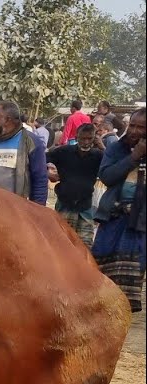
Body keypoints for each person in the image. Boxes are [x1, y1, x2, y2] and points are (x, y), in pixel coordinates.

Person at [90, 108, 145, 312]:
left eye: (141, 127)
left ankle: (122, 312)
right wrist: (133, 157)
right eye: (132, 125)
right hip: (113, 216)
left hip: (139, 222)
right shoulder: (117, 148)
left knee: (131, 270)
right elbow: (106, 176)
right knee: (102, 264)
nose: (134, 131)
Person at [47, 123, 103, 248]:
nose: (86, 142)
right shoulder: (64, 151)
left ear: (94, 138)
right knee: (61, 242)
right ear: (77, 137)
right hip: (65, 204)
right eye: (83, 138)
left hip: (85, 206)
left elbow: (111, 163)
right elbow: (41, 159)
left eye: (90, 138)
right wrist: (48, 173)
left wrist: (102, 146)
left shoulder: (98, 155)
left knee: (85, 245)